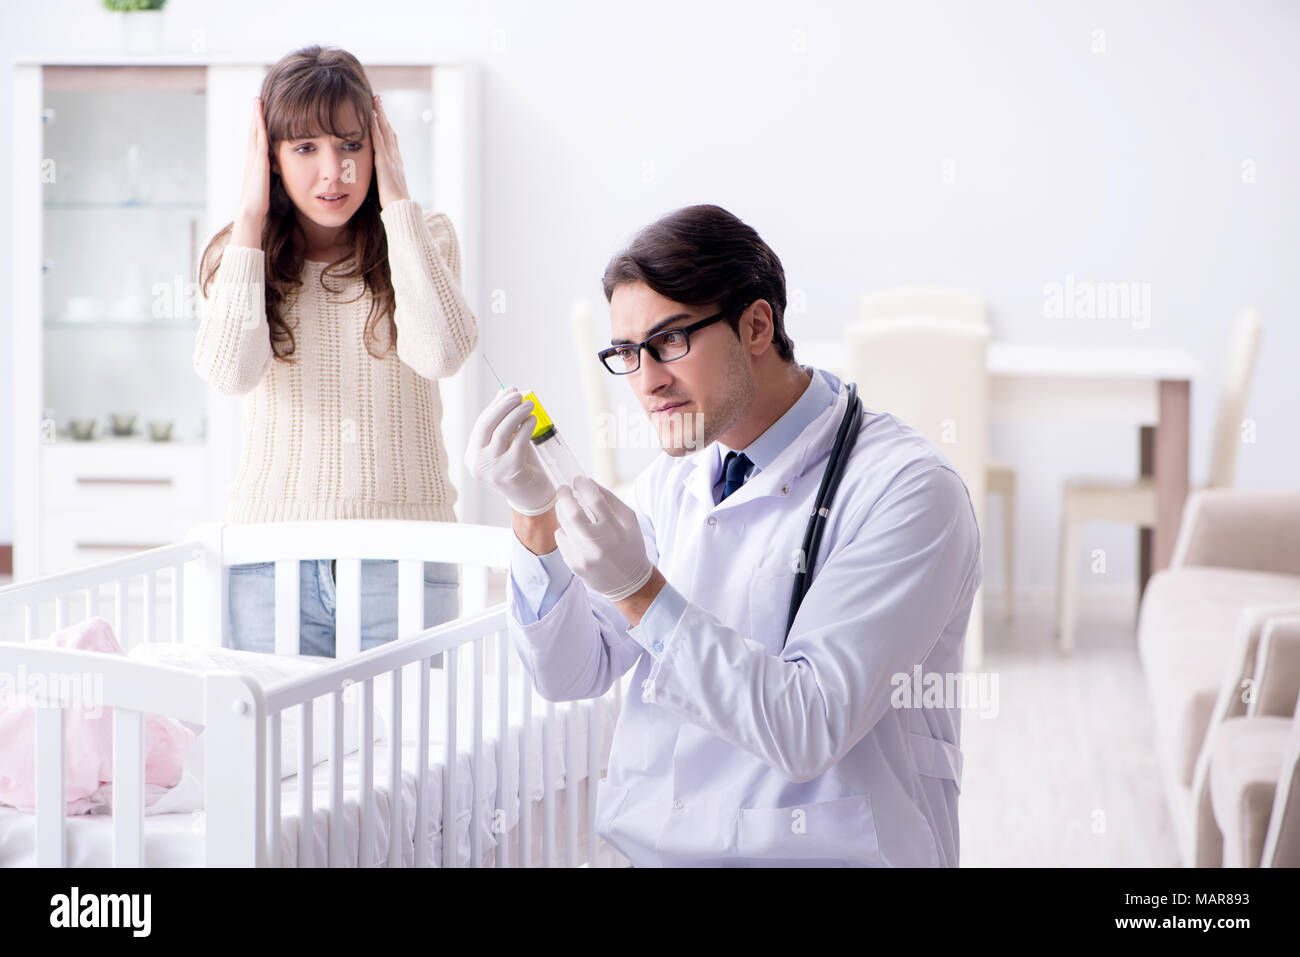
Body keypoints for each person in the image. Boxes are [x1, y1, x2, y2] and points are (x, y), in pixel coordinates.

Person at [467, 204, 982, 866]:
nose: (647, 380)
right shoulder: (671, 479)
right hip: (649, 849)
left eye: (670, 341)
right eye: (627, 353)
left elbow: (810, 723)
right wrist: (533, 515)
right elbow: (571, 671)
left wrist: (640, 590)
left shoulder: (907, 490)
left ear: (757, 325)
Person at [195, 46, 476, 656]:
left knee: (410, 748)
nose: (334, 172)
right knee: (283, 753)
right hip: (269, 561)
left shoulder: (427, 239)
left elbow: (442, 354)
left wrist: (398, 202)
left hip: (403, 556)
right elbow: (229, 372)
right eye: (305, 148)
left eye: (352, 145)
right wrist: (250, 215)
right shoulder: (238, 257)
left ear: (380, 145)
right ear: (269, 157)